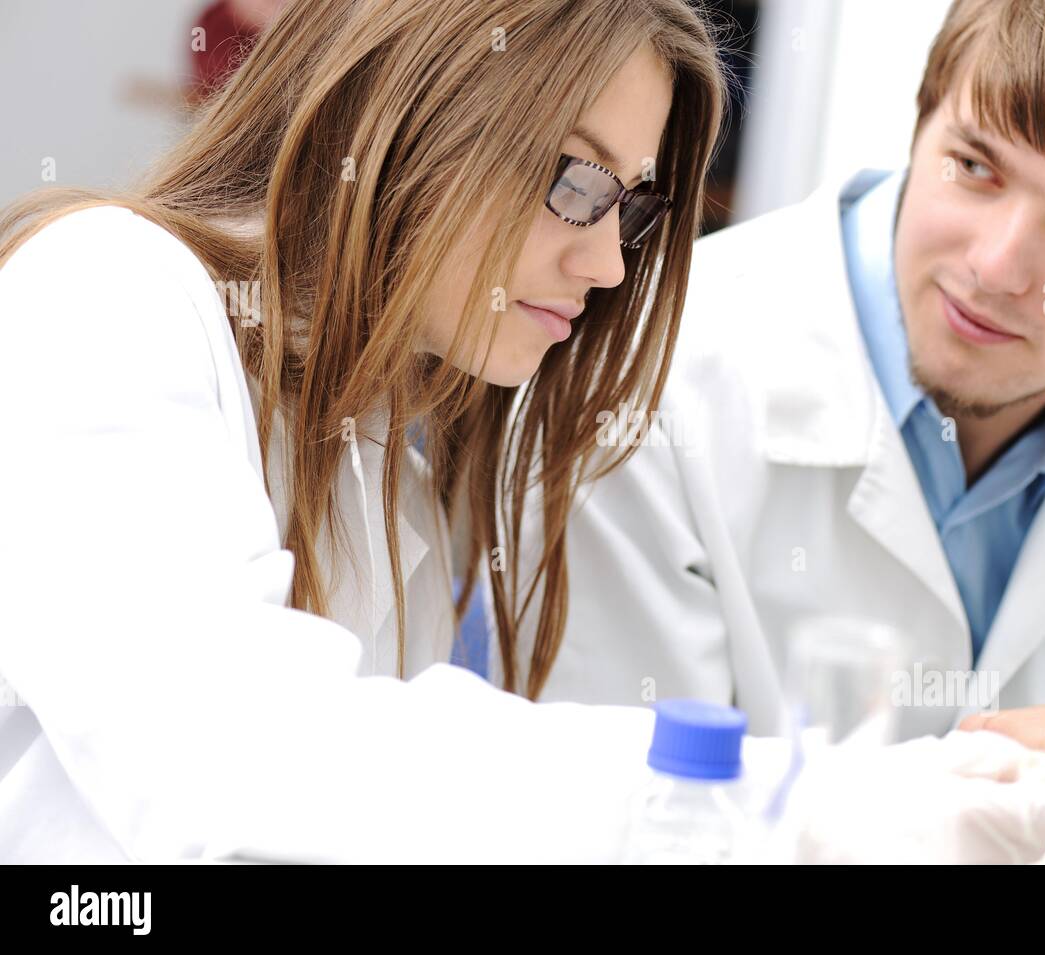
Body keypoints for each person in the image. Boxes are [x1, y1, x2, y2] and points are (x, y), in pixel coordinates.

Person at [0, 0, 768, 864]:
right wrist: (774, 799)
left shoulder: (394, 448)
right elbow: (233, 759)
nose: (606, 264)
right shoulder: (103, 291)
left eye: (627, 206)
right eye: (578, 184)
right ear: (413, 112)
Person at [516, 0, 1045, 787]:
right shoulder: (652, 379)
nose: (995, 268)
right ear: (921, 129)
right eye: (976, 167)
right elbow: (629, 805)